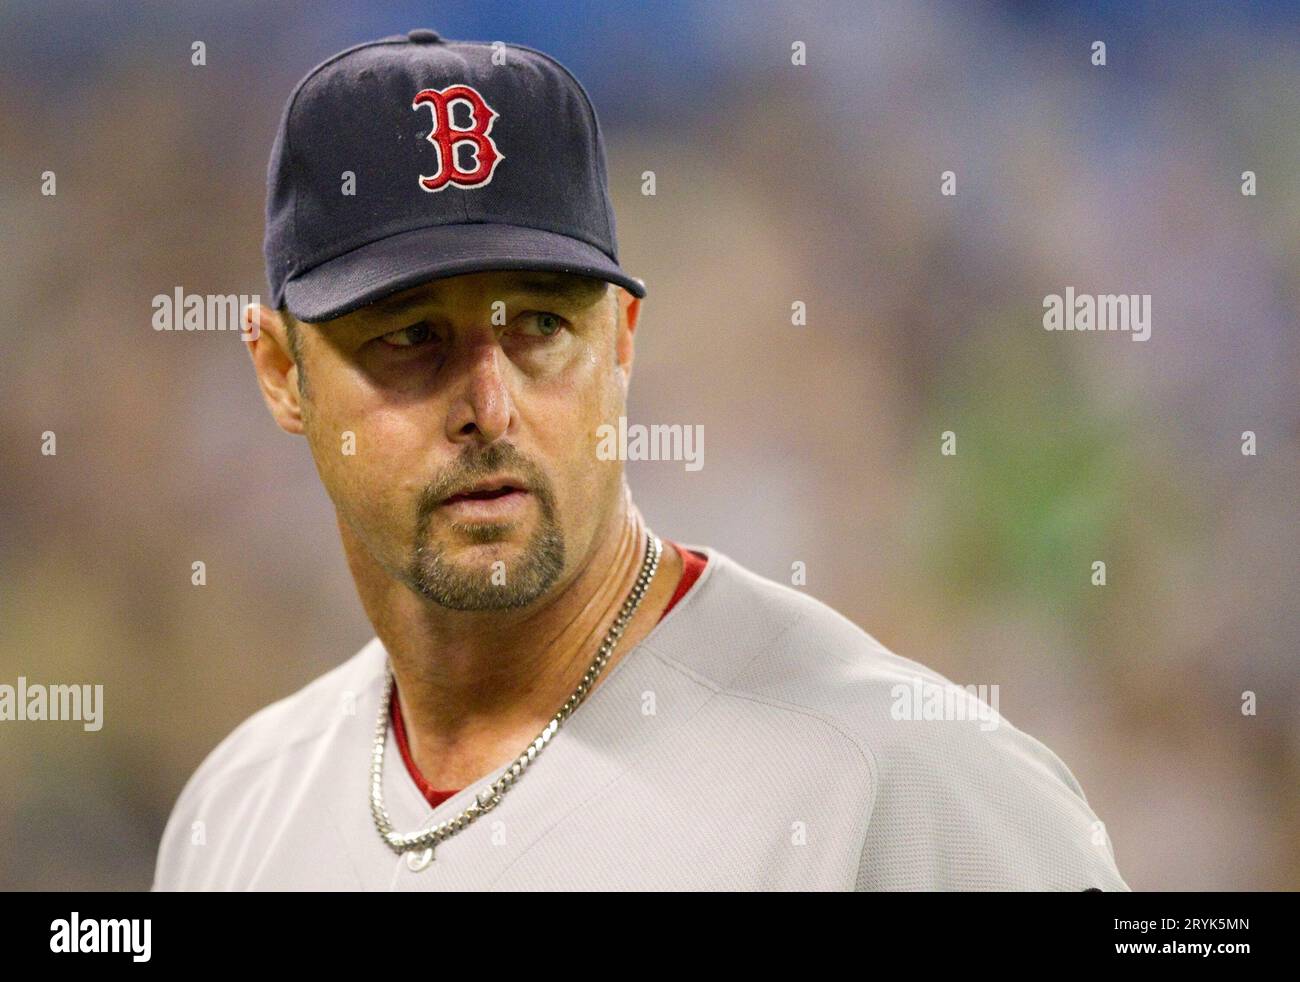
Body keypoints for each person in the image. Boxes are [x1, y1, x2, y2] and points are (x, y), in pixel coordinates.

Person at [152, 30, 1129, 890]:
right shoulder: (236, 812)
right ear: (281, 371)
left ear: (621, 338)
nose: (490, 408)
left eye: (540, 325)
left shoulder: (899, 777)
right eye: (411, 337)